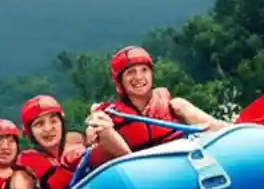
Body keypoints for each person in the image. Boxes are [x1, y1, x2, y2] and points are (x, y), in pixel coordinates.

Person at [85, 46, 228, 165]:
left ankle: (229, 132)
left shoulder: (168, 104)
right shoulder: (110, 113)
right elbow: (93, 131)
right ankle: (133, 165)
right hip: (133, 166)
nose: (139, 77)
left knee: (179, 104)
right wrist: (94, 128)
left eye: (144, 70)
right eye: (131, 72)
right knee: (102, 125)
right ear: (120, 81)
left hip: (177, 159)